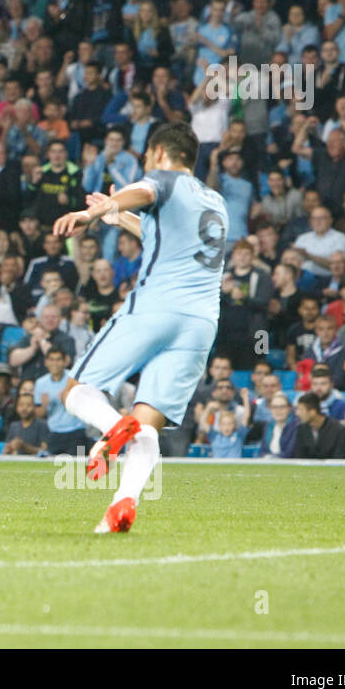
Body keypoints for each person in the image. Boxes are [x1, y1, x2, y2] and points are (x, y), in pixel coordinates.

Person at [52, 121, 230, 533]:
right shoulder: (214, 202)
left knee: (76, 390)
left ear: (158, 153)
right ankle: (121, 506)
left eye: (148, 157)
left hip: (156, 307)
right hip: (201, 323)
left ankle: (113, 428)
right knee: (147, 424)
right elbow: (166, 236)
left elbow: (146, 191)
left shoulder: (162, 178)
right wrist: (119, 217)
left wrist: (92, 212)